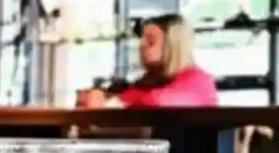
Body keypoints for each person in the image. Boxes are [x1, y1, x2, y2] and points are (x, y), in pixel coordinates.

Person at [84, 14, 217, 109]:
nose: (142, 46)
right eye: (142, 41)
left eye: (151, 41)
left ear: (173, 46)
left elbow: (160, 102)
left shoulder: (199, 80)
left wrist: (117, 102)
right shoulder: (148, 80)